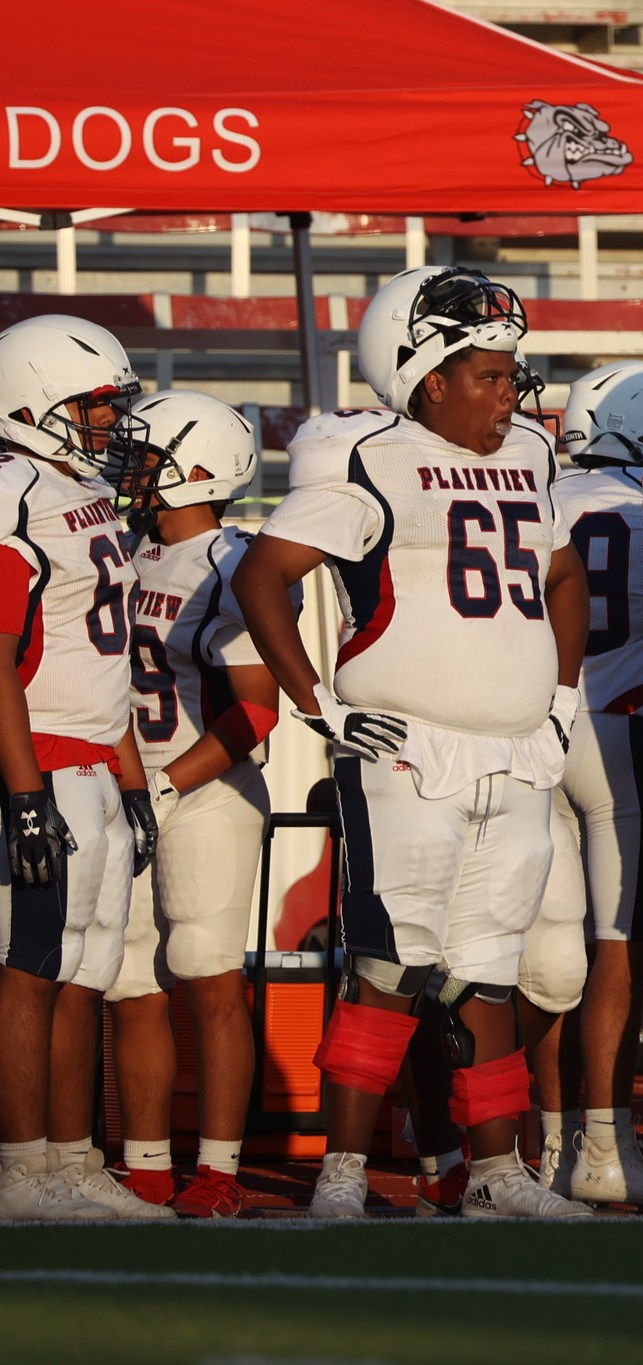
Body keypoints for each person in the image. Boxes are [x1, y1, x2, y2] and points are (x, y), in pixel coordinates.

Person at [234, 266, 593, 1220]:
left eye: (513, 372)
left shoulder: (530, 455)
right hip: (406, 748)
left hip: (514, 752)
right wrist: (315, 704)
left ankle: (497, 1174)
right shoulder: (367, 457)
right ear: (429, 375)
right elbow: (264, 575)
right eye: (489, 372)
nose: (511, 391)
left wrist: (560, 697)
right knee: (391, 961)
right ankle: (342, 1175)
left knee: (489, 967)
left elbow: (564, 579)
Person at [515, 360, 643, 1212]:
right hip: (634, 731)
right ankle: (603, 1142)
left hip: (535, 731)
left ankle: (541, 1141)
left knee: (542, 957)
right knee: (620, 949)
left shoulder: (537, 497)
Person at [101, 391, 282, 1220]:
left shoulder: (234, 563)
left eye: (148, 456)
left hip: (204, 787)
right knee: (129, 978)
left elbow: (255, 707)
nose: (131, 469)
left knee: (208, 974)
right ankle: (143, 1168)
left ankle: (217, 1169)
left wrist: (171, 782)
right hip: (131, 784)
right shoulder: (125, 550)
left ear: (197, 469)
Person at [0, 316, 161, 1221]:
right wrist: (24, 792)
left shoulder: (78, 492)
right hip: (43, 761)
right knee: (28, 966)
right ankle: (22, 1170)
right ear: (33, 403)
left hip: (96, 758)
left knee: (85, 971)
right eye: (96, 405)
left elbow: (105, 663)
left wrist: (133, 784)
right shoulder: (13, 490)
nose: (111, 424)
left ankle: (69, 1162)